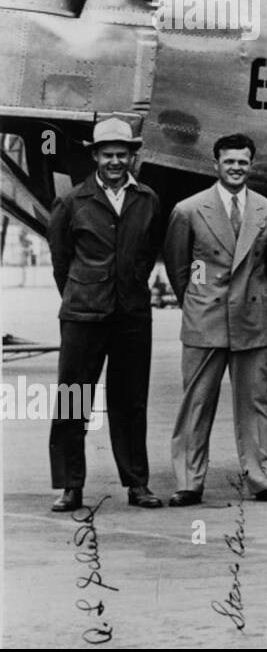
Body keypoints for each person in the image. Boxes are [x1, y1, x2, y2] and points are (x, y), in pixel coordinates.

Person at [163, 133, 267, 506]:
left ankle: (264, 478)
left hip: (253, 320)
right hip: (206, 320)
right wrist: (199, 300)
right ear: (215, 164)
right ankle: (188, 481)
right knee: (197, 402)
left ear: (252, 165)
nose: (236, 168)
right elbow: (180, 268)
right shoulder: (188, 209)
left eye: (243, 162)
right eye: (229, 161)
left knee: (257, 402)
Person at [47, 118, 165, 512]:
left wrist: (128, 287)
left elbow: (148, 253)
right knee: (72, 399)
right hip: (84, 316)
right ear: (95, 156)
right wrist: (85, 295)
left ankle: (137, 483)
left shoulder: (147, 198)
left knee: (130, 401)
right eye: (108, 154)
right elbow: (61, 261)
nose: (115, 161)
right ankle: (69, 485)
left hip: (131, 315)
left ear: (133, 156)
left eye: (122, 154)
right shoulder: (72, 202)